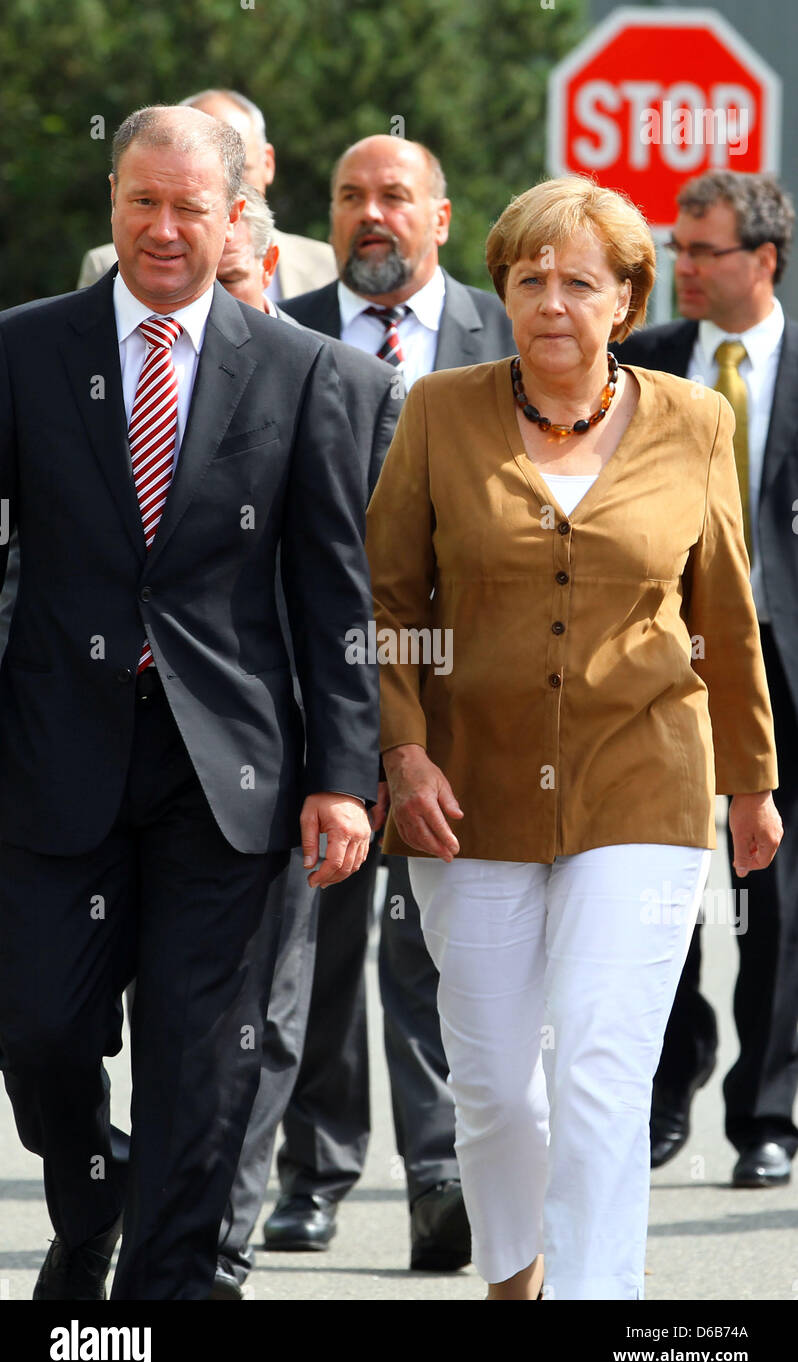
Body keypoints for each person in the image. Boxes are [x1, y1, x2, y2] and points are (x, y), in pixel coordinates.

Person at [365, 175, 781, 1300]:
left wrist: (752, 781)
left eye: (578, 281)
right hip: (468, 787)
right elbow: (390, 605)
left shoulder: (697, 421)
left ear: (626, 298)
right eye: (528, 277)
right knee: (497, 1082)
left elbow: (725, 615)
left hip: (643, 776)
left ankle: (601, 1299)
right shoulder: (439, 412)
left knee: (604, 1065)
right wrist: (402, 753)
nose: (551, 300)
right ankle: (517, 1275)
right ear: (502, 287)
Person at [0, 105, 377, 1301]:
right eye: (141, 203)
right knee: (43, 1028)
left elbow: (334, 591)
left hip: (232, 773)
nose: (163, 230)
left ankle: (165, 1301)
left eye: (189, 208)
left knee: (201, 1058)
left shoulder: (305, 370)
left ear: (236, 218)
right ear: (112, 201)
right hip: (56, 752)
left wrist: (342, 774)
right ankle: (90, 1181)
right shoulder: (25, 351)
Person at [267, 134, 517, 1267]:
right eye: (352, 197)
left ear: (443, 217)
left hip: (459, 689)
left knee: (434, 947)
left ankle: (438, 1176)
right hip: (309, 685)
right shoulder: (276, 332)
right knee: (313, 942)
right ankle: (313, 1171)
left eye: (396, 197)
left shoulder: (503, 337)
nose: (373, 215)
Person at [210, 185, 400, 1298]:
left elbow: (363, 590)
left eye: (236, 284)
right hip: (136, 744)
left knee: (271, 1008)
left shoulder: (340, 383)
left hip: (289, 744)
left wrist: (360, 756)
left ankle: (220, 1238)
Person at [615, 171, 798, 1187]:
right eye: (677, 248)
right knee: (658, 881)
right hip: (669, 660)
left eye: (704, 250)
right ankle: (667, 1075)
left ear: (763, 259)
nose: (682, 266)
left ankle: (765, 1113)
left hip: (785, 661)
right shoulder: (640, 365)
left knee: (776, 897)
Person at [77, 89, 336, 298]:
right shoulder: (107, 266)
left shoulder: (327, 266)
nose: (164, 231)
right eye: (146, 201)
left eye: (241, 172)